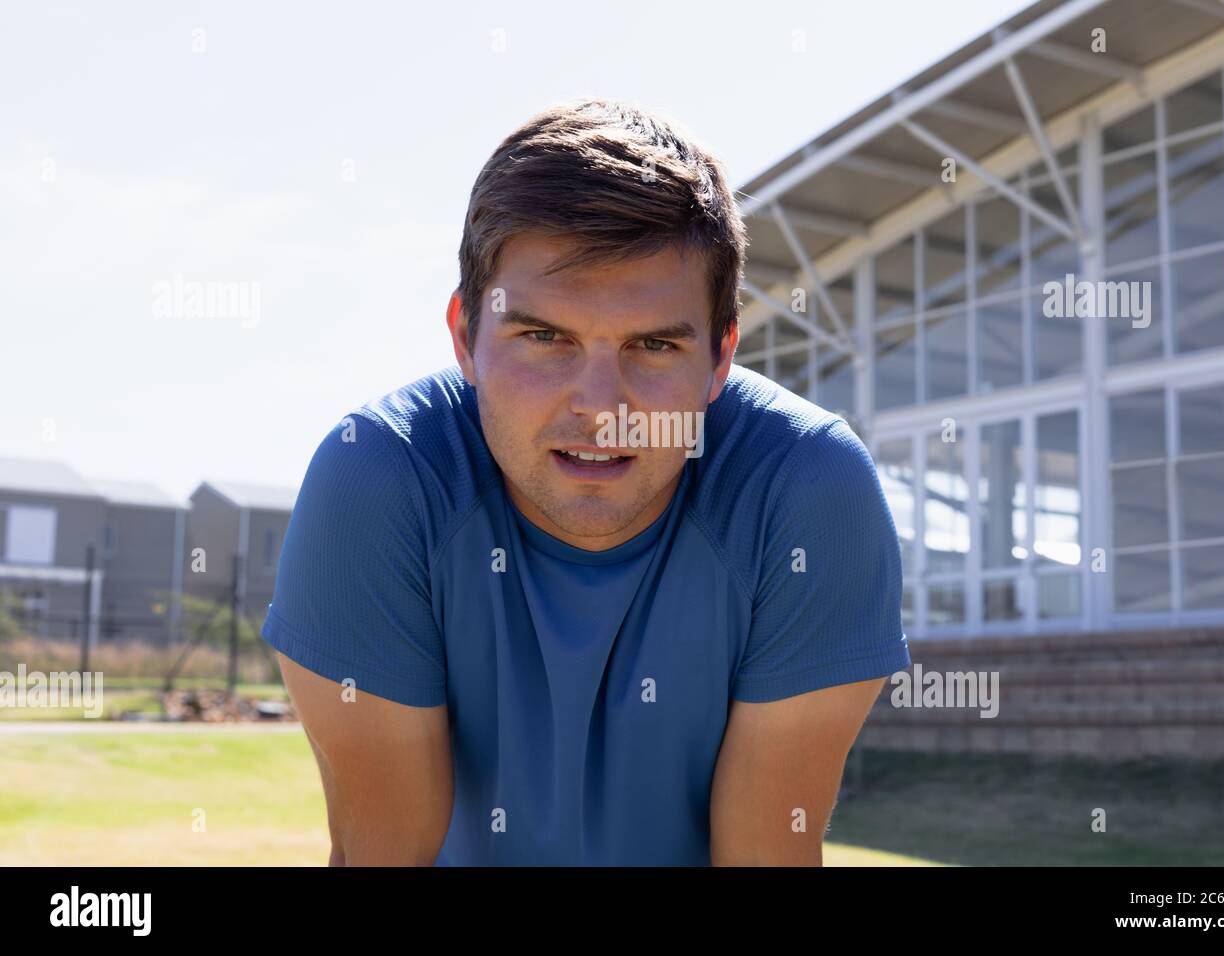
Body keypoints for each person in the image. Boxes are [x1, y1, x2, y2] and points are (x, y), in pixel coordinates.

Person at [262, 98, 911, 866]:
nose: (602, 408)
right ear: (465, 338)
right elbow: (384, 854)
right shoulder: (376, 480)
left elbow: (765, 856)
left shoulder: (807, 490)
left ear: (721, 357)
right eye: (545, 337)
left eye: (654, 345)